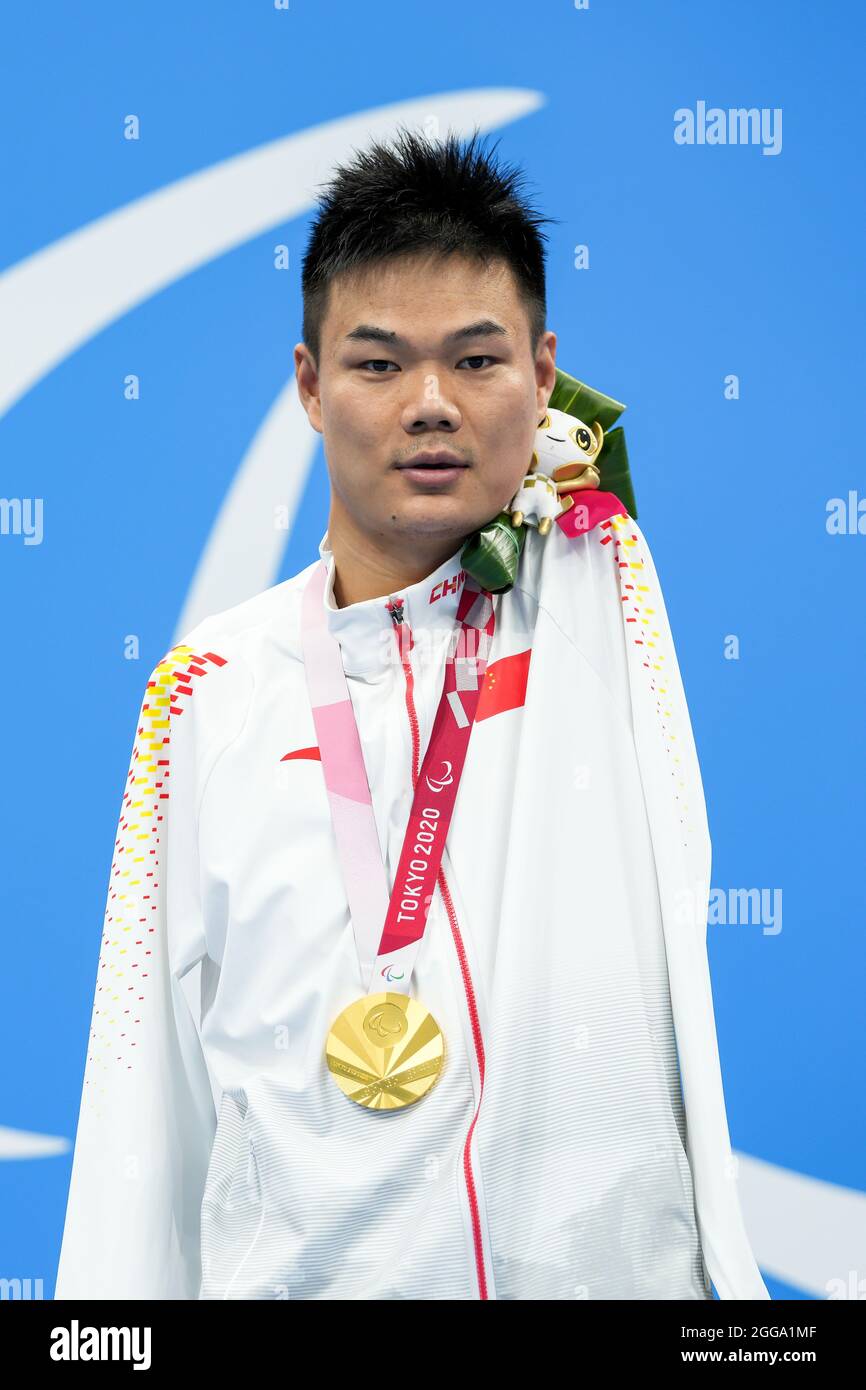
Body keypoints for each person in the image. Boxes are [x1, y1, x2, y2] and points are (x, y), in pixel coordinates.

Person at [54, 128, 769, 1301]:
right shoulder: (205, 691)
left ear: (545, 378)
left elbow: (584, 491)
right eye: (377, 364)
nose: (430, 405)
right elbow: (141, 1105)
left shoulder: (597, 594)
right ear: (306, 383)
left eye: (476, 361)